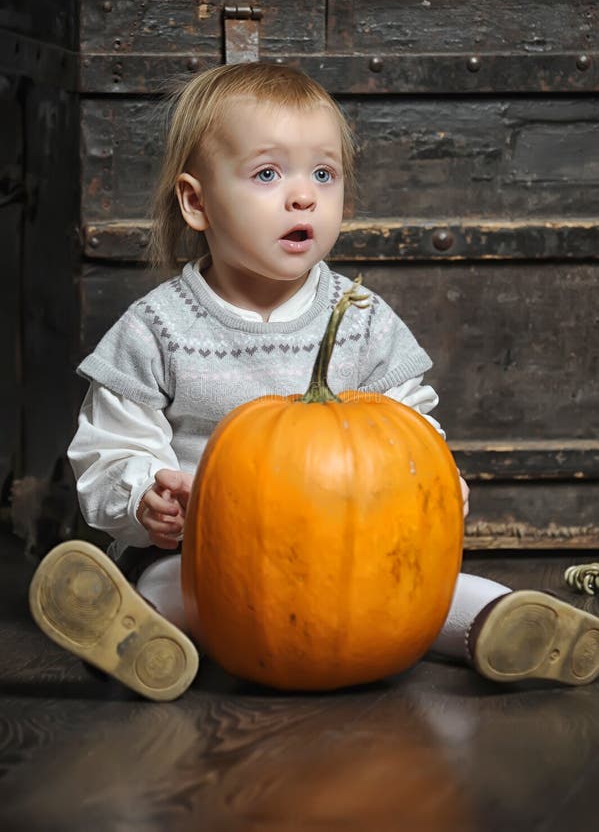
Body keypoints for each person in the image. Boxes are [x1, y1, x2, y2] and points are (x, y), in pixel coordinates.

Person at [29, 63, 599, 700]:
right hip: (214, 562)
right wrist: (143, 499)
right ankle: (134, 637)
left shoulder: (358, 317)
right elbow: (111, 447)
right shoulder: (158, 329)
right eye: (268, 174)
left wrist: (434, 482)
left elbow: (409, 426)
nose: (303, 197)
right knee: (169, 589)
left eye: (323, 175)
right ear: (197, 202)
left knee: (434, 592)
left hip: (352, 558)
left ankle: (505, 625)